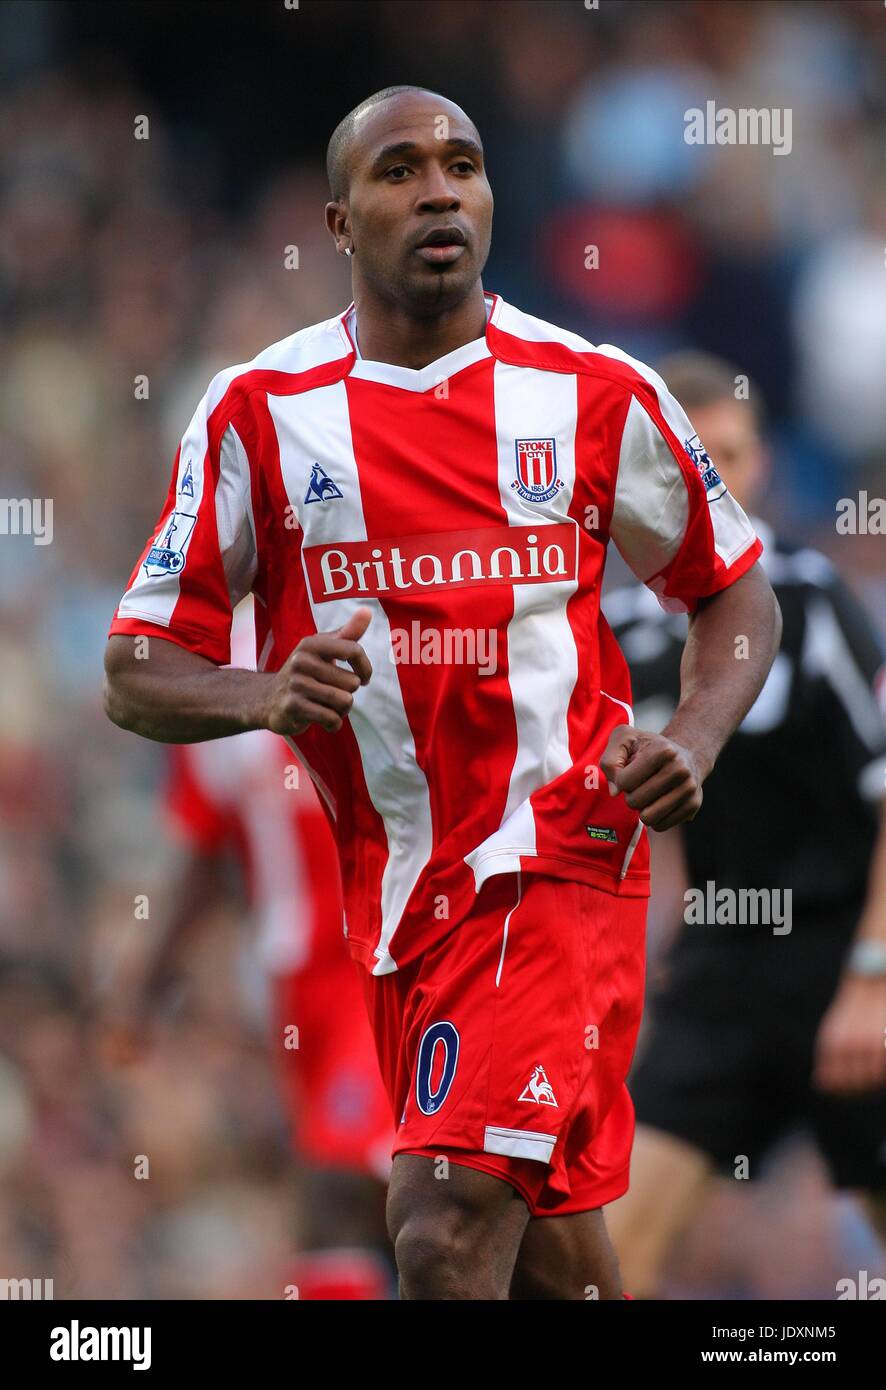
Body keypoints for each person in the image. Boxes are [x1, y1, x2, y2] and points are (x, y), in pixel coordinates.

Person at [103, 86, 780, 1300]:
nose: (437, 190)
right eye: (400, 170)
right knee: (553, 1268)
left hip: (559, 857)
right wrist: (261, 694)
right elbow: (135, 668)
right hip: (403, 899)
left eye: (461, 165)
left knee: (437, 1225)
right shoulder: (260, 416)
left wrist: (692, 733)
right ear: (337, 218)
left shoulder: (592, 392)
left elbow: (735, 591)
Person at [603, 351, 886, 1297]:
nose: (717, 476)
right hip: (722, 978)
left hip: (845, 965)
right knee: (607, 1266)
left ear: (763, 462)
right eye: (697, 457)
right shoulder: (617, 632)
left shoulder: (810, 604)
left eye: (733, 453)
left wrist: (872, 980)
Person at [104, 601, 394, 1299]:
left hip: (388, 959)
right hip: (298, 994)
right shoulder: (206, 663)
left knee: (350, 1189)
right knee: (377, 1203)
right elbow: (205, 850)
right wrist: (144, 985)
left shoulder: (367, 604)